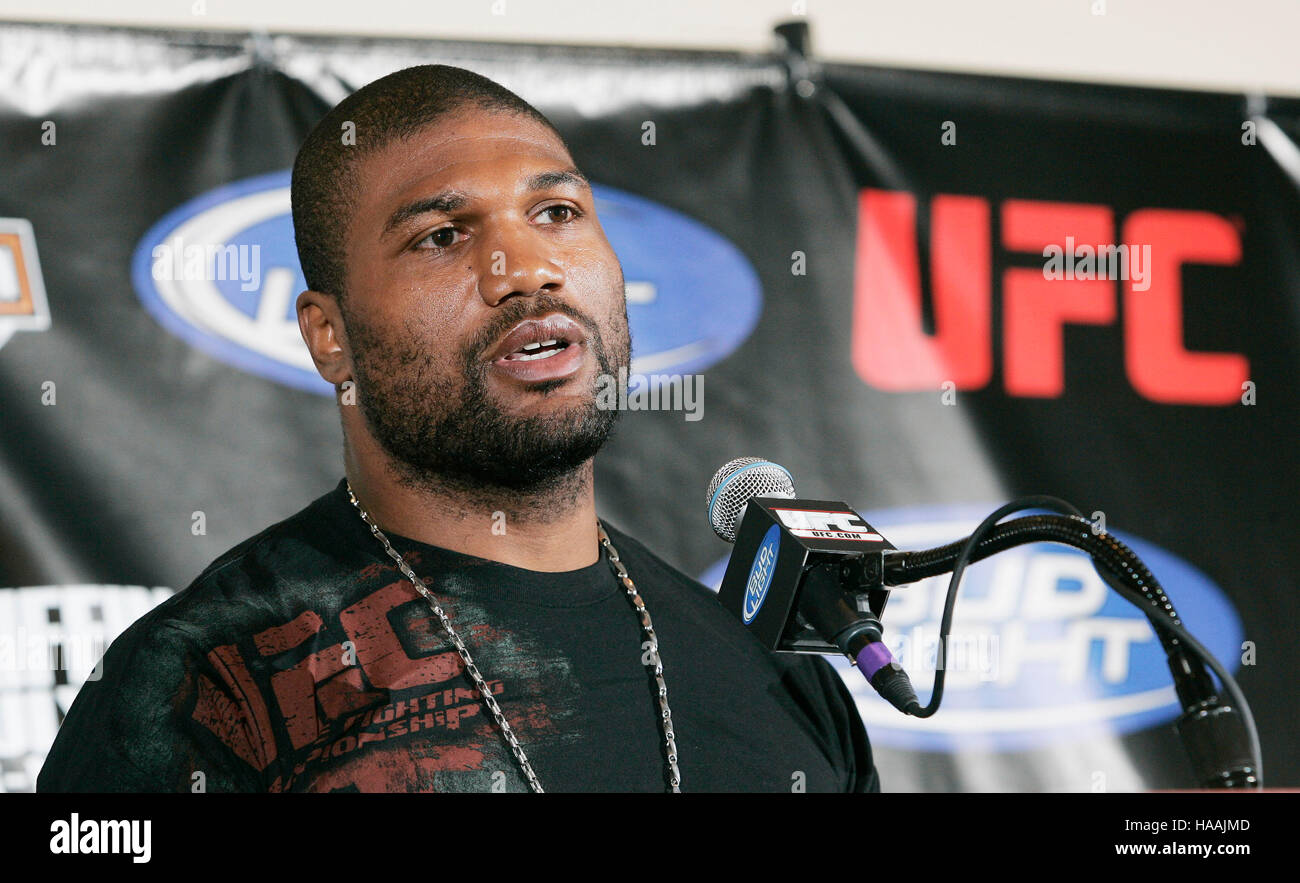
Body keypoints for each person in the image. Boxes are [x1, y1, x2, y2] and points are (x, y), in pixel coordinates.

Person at [37, 64, 880, 793]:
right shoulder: (200, 686)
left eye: (556, 212)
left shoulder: (775, 678)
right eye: (443, 236)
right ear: (330, 337)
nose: (527, 271)